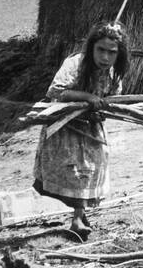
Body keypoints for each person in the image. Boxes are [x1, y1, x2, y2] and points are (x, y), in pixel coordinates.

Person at [32, 21, 129, 240]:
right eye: (100, 50)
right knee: (74, 170)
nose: (105, 57)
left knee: (90, 171)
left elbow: (110, 100)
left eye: (111, 53)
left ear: (118, 54)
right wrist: (87, 97)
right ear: (92, 47)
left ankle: (79, 216)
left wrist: (101, 110)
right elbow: (55, 91)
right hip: (66, 126)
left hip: (91, 128)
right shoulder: (75, 64)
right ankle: (77, 218)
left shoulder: (114, 74)